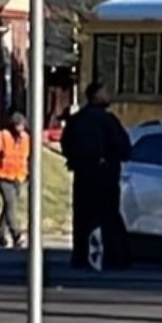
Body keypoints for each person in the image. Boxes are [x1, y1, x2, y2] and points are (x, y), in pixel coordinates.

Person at [60, 82, 133, 270]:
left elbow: (66, 145)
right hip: (105, 176)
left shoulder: (76, 121)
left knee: (82, 218)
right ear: (96, 96)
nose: (108, 96)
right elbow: (123, 147)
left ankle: (81, 257)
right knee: (108, 217)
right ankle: (112, 257)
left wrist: (76, 160)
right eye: (105, 93)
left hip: (83, 175)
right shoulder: (107, 121)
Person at [0, 112, 33, 248]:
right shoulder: (2, 136)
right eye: (17, 126)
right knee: (10, 203)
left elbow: (29, 157)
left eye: (22, 126)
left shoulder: (27, 138)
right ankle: (16, 235)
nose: (20, 129)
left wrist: (29, 173)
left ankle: (0, 235)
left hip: (19, 176)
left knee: (8, 206)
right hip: (2, 175)